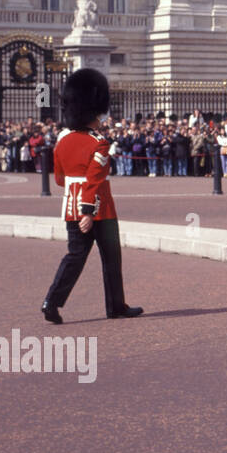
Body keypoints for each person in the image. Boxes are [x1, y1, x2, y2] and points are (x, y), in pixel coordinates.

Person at [42, 68, 143, 323]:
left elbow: (59, 178)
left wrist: (79, 206)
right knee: (111, 259)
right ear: (93, 111)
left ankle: (51, 302)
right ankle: (116, 306)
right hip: (100, 208)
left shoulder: (62, 141)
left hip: (71, 204)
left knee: (75, 256)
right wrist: (88, 211)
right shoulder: (99, 142)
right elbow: (94, 179)